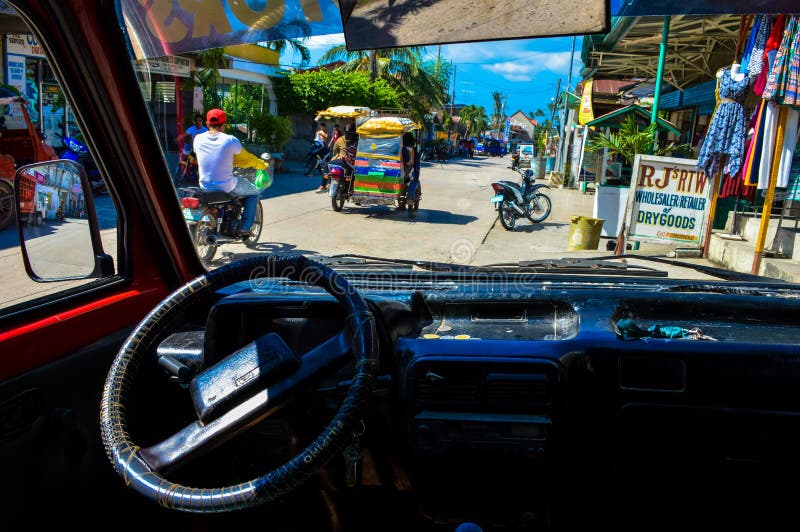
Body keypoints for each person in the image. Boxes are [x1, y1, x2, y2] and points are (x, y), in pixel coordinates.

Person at [194, 108, 266, 238]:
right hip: (226, 186)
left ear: (206, 123)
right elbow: (245, 159)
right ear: (224, 124)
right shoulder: (230, 140)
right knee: (254, 192)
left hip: (204, 186)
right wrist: (261, 164)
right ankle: (244, 228)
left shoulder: (198, 138)